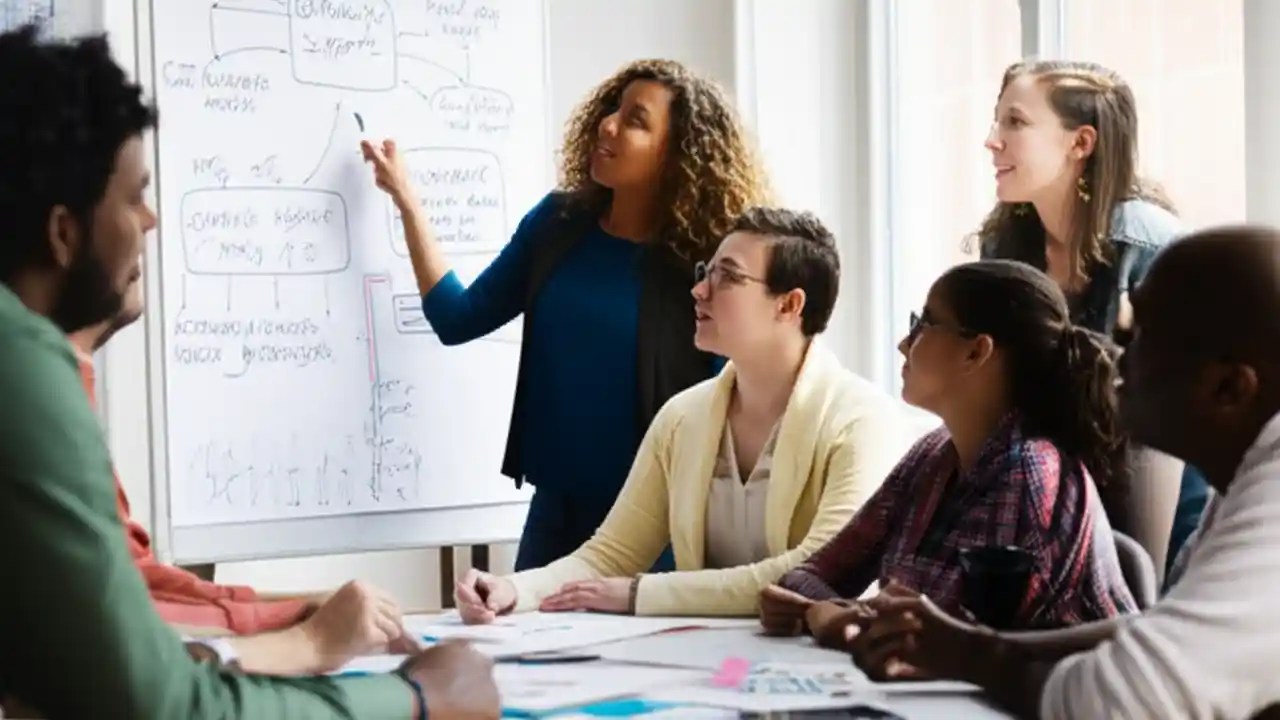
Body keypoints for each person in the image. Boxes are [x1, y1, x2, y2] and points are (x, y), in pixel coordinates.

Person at [0, 25, 497, 718]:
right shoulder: (23, 371)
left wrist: (285, 618)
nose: (149, 221)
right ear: (63, 233)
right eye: (134, 196)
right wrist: (415, 698)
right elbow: (151, 700)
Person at [850, 227, 1280, 719]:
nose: (1114, 349)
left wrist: (972, 655)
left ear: (1229, 389)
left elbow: (1117, 703)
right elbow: (1156, 629)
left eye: (1140, 334)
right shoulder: (1246, 478)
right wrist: (972, 645)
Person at [362, 58, 771, 571]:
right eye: (613, 109)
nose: (608, 123)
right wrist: (406, 200)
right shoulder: (558, 225)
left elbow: (733, 410)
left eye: (636, 119)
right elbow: (456, 318)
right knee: (521, 648)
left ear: (677, 156)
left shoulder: (702, 267)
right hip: (554, 514)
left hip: (653, 531)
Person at [450, 208, 909, 620]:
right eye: (706, 272)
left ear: (789, 305)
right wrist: (512, 589)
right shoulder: (682, 416)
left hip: (821, 673)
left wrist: (642, 593)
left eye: (728, 277)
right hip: (706, 665)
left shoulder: (862, 420)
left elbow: (815, 571)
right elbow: (610, 554)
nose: (699, 289)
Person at [762, 260, 1136, 641]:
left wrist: (831, 615)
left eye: (924, 323)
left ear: (976, 352)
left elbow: (942, 643)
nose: (904, 343)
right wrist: (829, 612)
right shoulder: (933, 453)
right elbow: (809, 576)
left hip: (1061, 697)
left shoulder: (1027, 470)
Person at [68, 310, 420, 676]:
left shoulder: (63, 375)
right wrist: (310, 640)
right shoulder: (34, 395)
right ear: (60, 248)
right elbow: (105, 634)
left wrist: (299, 608)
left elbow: (133, 577)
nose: (143, 252)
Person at [975, 58, 1200, 578]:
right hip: (1055, 511)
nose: (992, 140)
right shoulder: (1004, 248)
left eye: (1015, 122)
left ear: (1081, 144)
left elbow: (1168, 435)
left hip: (1161, 526)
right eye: (996, 120)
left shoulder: (1153, 249)